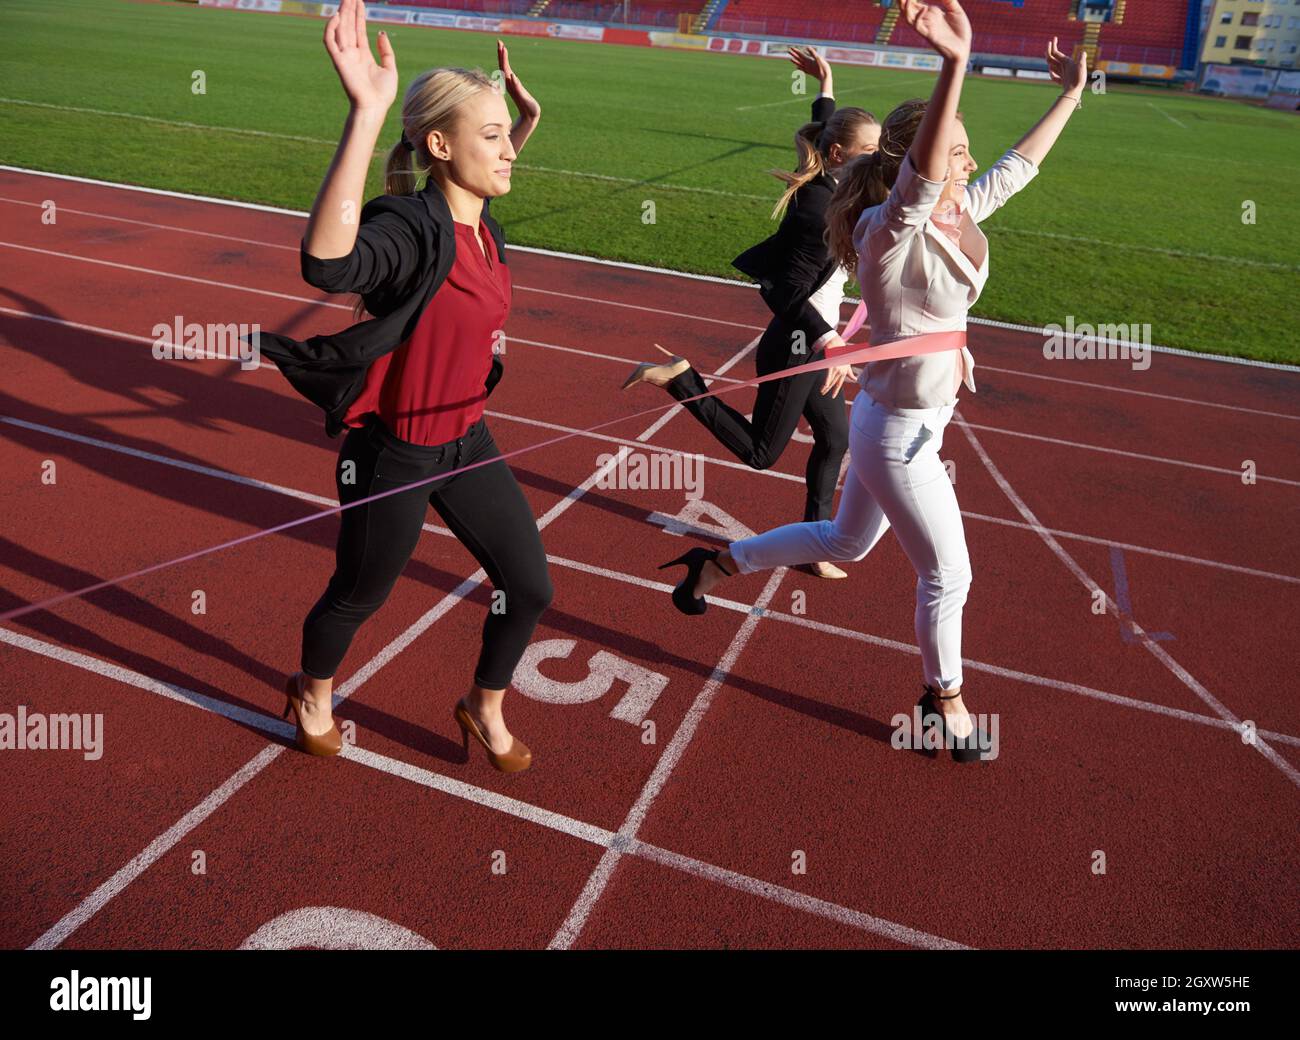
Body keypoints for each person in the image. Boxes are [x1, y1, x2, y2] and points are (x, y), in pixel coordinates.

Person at [660, 0, 1087, 761]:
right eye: (955, 152)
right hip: (898, 437)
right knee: (949, 574)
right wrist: (954, 63)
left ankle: (719, 562)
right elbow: (924, 176)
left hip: (905, 419)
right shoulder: (889, 229)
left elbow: (1018, 170)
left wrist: (1071, 95)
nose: (968, 163)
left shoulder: (960, 210)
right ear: (917, 162)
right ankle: (942, 701)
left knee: (845, 540)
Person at [258, 0, 551, 771]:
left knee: (529, 587)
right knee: (359, 596)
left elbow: (489, 170)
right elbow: (327, 265)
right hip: (397, 455)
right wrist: (366, 114)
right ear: (438, 146)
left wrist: (524, 121)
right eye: (492, 139)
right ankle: (312, 689)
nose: (511, 152)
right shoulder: (411, 230)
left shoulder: (483, 220)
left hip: (467, 441)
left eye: (507, 138)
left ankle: (482, 704)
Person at [622, 46, 879, 580]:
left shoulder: (832, 183)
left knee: (835, 439)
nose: (877, 159)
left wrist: (827, 82)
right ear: (838, 158)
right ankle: (682, 381)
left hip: (815, 344)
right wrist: (827, 339)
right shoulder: (816, 210)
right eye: (869, 150)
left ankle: (815, 545)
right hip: (798, 342)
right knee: (763, 452)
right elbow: (781, 293)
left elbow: (823, 128)